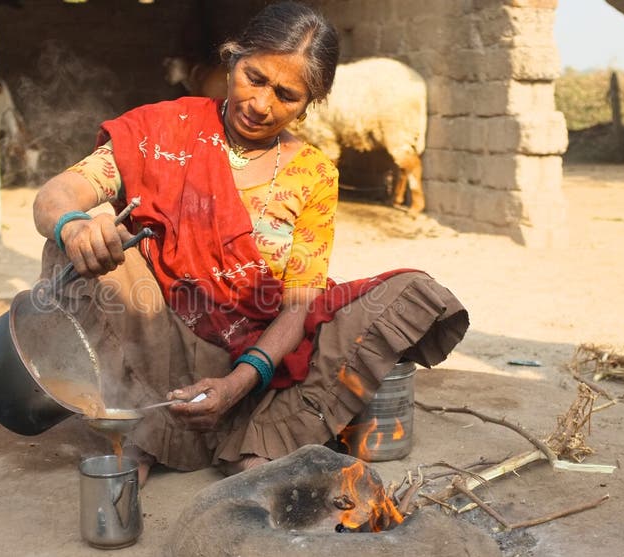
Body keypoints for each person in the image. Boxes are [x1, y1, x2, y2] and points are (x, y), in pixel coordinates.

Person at [32, 1, 468, 486]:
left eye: (287, 95)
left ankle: (250, 431)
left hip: (257, 359)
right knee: (81, 250)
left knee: (403, 292)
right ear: (232, 58)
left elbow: (298, 307)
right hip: (158, 344)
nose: (261, 105)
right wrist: (74, 226)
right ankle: (144, 428)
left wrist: (238, 382)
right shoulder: (162, 132)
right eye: (254, 78)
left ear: (312, 104)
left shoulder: (313, 173)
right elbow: (57, 194)